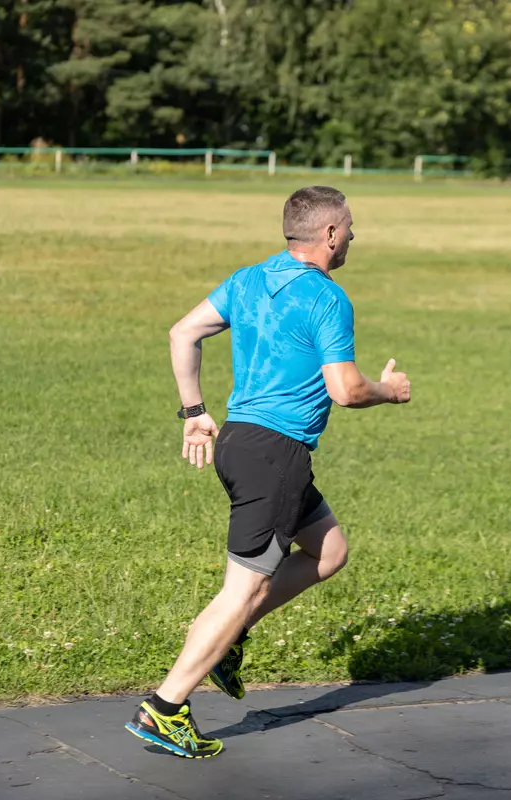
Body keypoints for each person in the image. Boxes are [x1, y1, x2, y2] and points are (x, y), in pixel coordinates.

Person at [124, 186, 411, 758]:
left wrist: (194, 412)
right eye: (350, 226)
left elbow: (183, 332)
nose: (354, 234)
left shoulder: (248, 279)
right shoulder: (328, 299)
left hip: (239, 443)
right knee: (243, 587)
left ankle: (228, 642)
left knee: (328, 552)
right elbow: (346, 391)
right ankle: (164, 707)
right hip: (275, 456)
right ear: (329, 234)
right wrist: (390, 391)